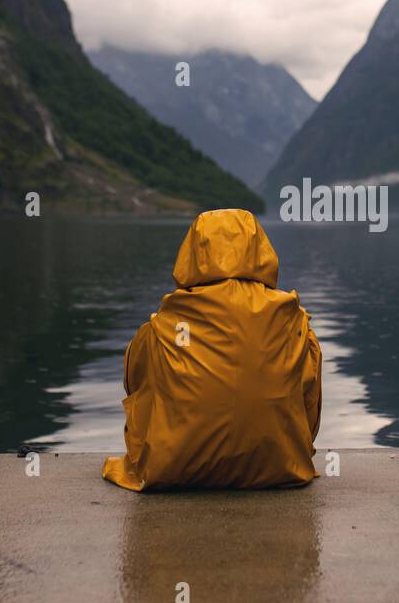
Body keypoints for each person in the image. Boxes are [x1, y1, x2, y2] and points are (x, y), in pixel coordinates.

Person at [102, 209, 322, 491]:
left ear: (193, 251)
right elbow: (309, 394)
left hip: (172, 467)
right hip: (284, 467)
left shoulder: (168, 321)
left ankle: (167, 455)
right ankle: (283, 453)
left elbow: (134, 382)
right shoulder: (292, 319)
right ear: (260, 250)